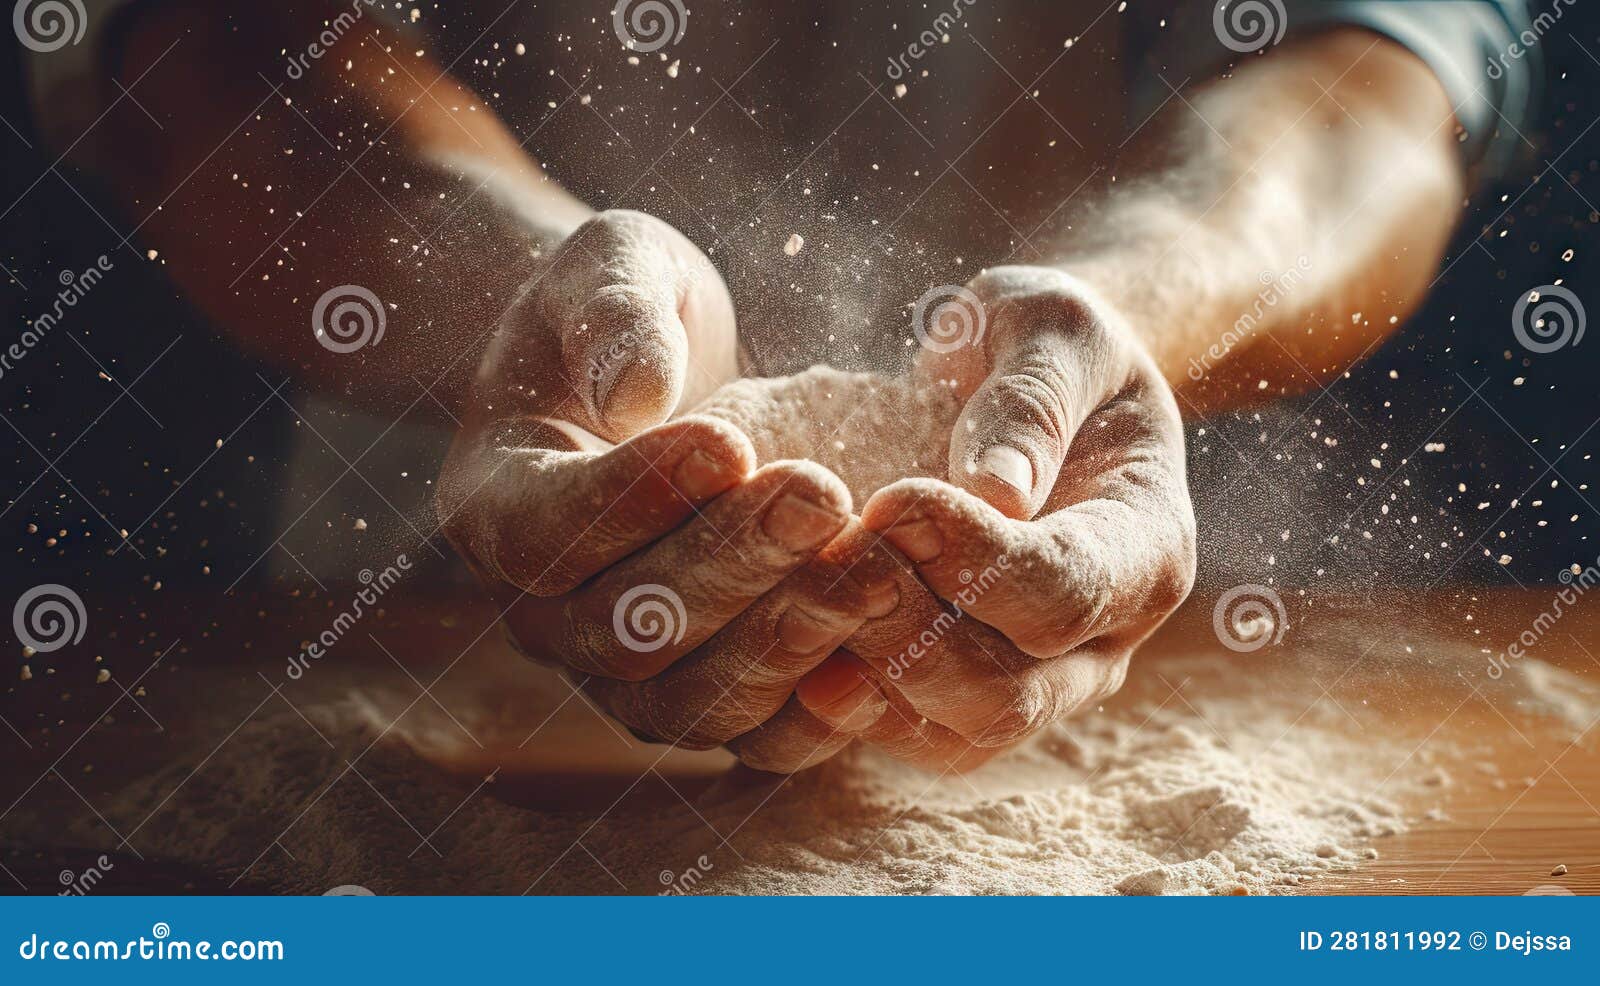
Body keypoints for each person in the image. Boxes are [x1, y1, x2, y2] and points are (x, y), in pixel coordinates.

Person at [14, 0, 1539, 771]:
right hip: (424, 639)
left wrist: (1125, 302)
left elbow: (1373, 93)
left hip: (1067, 616)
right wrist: (544, 291)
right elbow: (219, 57)